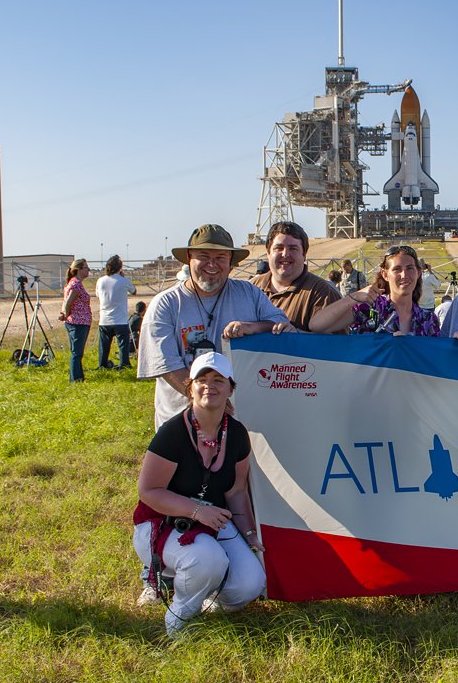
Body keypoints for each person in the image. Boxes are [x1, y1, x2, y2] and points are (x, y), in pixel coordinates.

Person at [132, 352, 265, 637]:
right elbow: (148, 491)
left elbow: (236, 491)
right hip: (160, 524)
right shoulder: (173, 432)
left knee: (250, 583)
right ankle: (178, 620)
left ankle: (208, 602)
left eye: (219, 380)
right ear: (190, 387)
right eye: (202, 380)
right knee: (209, 560)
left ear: (231, 388)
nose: (210, 386)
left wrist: (250, 533)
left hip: (211, 524)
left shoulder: (238, 434)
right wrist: (196, 510)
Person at [137, 224, 291, 429]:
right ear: (189, 258)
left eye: (220, 257)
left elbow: (280, 322)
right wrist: (207, 401)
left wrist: (252, 327)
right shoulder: (166, 303)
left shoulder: (249, 293)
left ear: (231, 263)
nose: (212, 264)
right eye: (203, 256)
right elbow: (166, 364)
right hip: (180, 422)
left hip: (237, 420)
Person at [310, 245, 440, 336]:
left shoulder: (428, 319)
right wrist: (354, 296)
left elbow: (437, 360)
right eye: (397, 269)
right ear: (385, 274)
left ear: (418, 273)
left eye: (410, 268)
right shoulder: (369, 309)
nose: (404, 275)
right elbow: (317, 326)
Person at [250, 221, 340, 331]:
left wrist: (297, 335)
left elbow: (337, 343)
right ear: (268, 253)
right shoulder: (251, 288)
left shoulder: (322, 293)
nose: (285, 254)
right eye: (279, 248)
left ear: (304, 255)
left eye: (293, 248)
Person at [95, 255, 137, 370]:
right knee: (123, 344)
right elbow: (134, 291)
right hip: (120, 319)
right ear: (120, 267)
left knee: (104, 345)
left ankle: (102, 364)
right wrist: (122, 277)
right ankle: (124, 364)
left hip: (104, 319)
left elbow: (98, 295)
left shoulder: (100, 281)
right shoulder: (123, 281)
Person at [58, 258, 92, 382]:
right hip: (78, 323)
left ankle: (78, 376)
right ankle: (76, 379)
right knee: (77, 353)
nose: (88, 270)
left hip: (78, 322)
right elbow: (68, 303)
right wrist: (66, 314)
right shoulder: (76, 284)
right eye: (86, 268)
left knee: (76, 352)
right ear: (79, 270)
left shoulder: (73, 283)